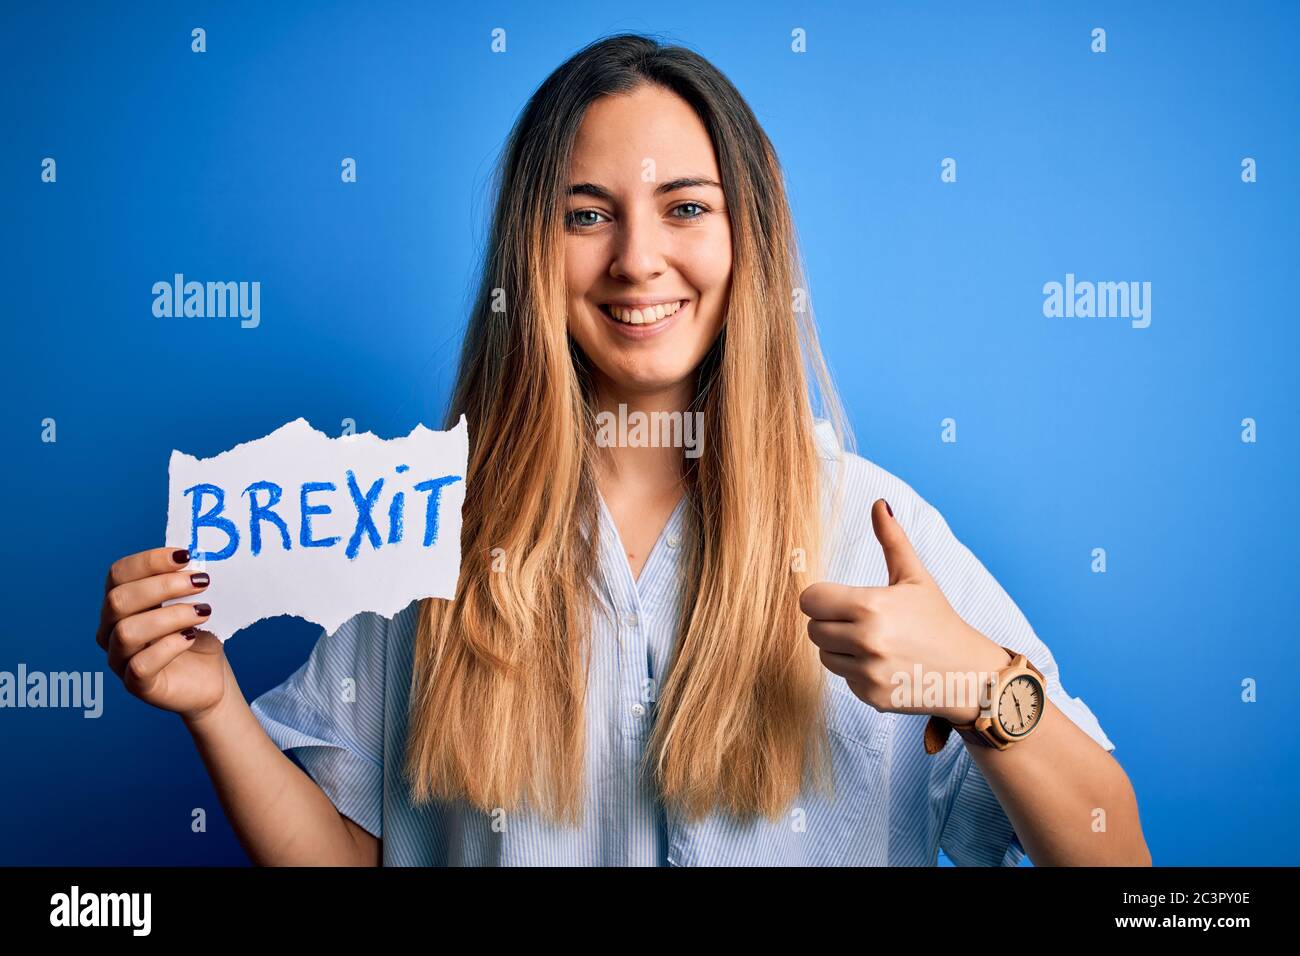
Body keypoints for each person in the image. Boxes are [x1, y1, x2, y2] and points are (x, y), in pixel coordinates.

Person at [96, 33, 1150, 866]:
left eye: (685, 207)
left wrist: (974, 679)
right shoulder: (421, 531)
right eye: (586, 214)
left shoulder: (875, 528)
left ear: (750, 239)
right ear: (530, 249)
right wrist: (217, 706)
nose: (637, 259)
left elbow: (1115, 856)